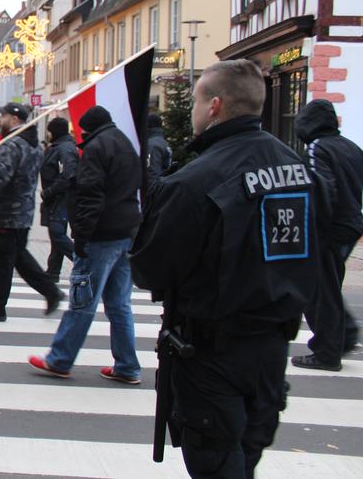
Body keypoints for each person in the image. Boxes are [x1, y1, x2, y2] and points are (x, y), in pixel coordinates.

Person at [130, 60, 326, 477]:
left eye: (199, 101)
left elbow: (149, 271)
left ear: (214, 106)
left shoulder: (192, 182)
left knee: (217, 463)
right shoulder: (302, 173)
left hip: (211, 351)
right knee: (244, 456)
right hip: (271, 349)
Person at [29, 106, 142, 383]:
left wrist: (82, 235)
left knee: (83, 300)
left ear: (86, 129)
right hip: (126, 231)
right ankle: (127, 365)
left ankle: (60, 359)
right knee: (119, 303)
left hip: (101, 235)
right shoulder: (126, 143)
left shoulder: (95, 148)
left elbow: (91, 195)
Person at [0, 102, 64, 321]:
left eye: (3, 117)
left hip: (4, 212)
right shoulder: (33, 144)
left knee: (0, 261)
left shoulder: (12, 144)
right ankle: (49, 292)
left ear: (14, 120)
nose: (0, 121)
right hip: (22, 211)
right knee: (16, 257)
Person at [290, 99, 362, 370]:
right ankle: (344, 336)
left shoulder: (317, 149)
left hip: (329, 229)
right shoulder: (350, 147)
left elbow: (322, 189)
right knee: (329, 287)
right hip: (351, 224)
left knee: (320, 293)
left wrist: (313, 231)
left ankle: (327, 352)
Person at [39, 116, 78, 282]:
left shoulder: (64, 148)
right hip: (57, 197)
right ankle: (53, 271)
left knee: (57, 233)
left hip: (61, 197)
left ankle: (83, 261)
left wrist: (49, 192)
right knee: (56, 234)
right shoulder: (60, 146)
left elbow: (67, 175)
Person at [145, 113, 172, 185]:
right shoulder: (163, 142)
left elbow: (152, 173)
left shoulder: (152, 145)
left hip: (154, 190)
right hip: (163, 185)